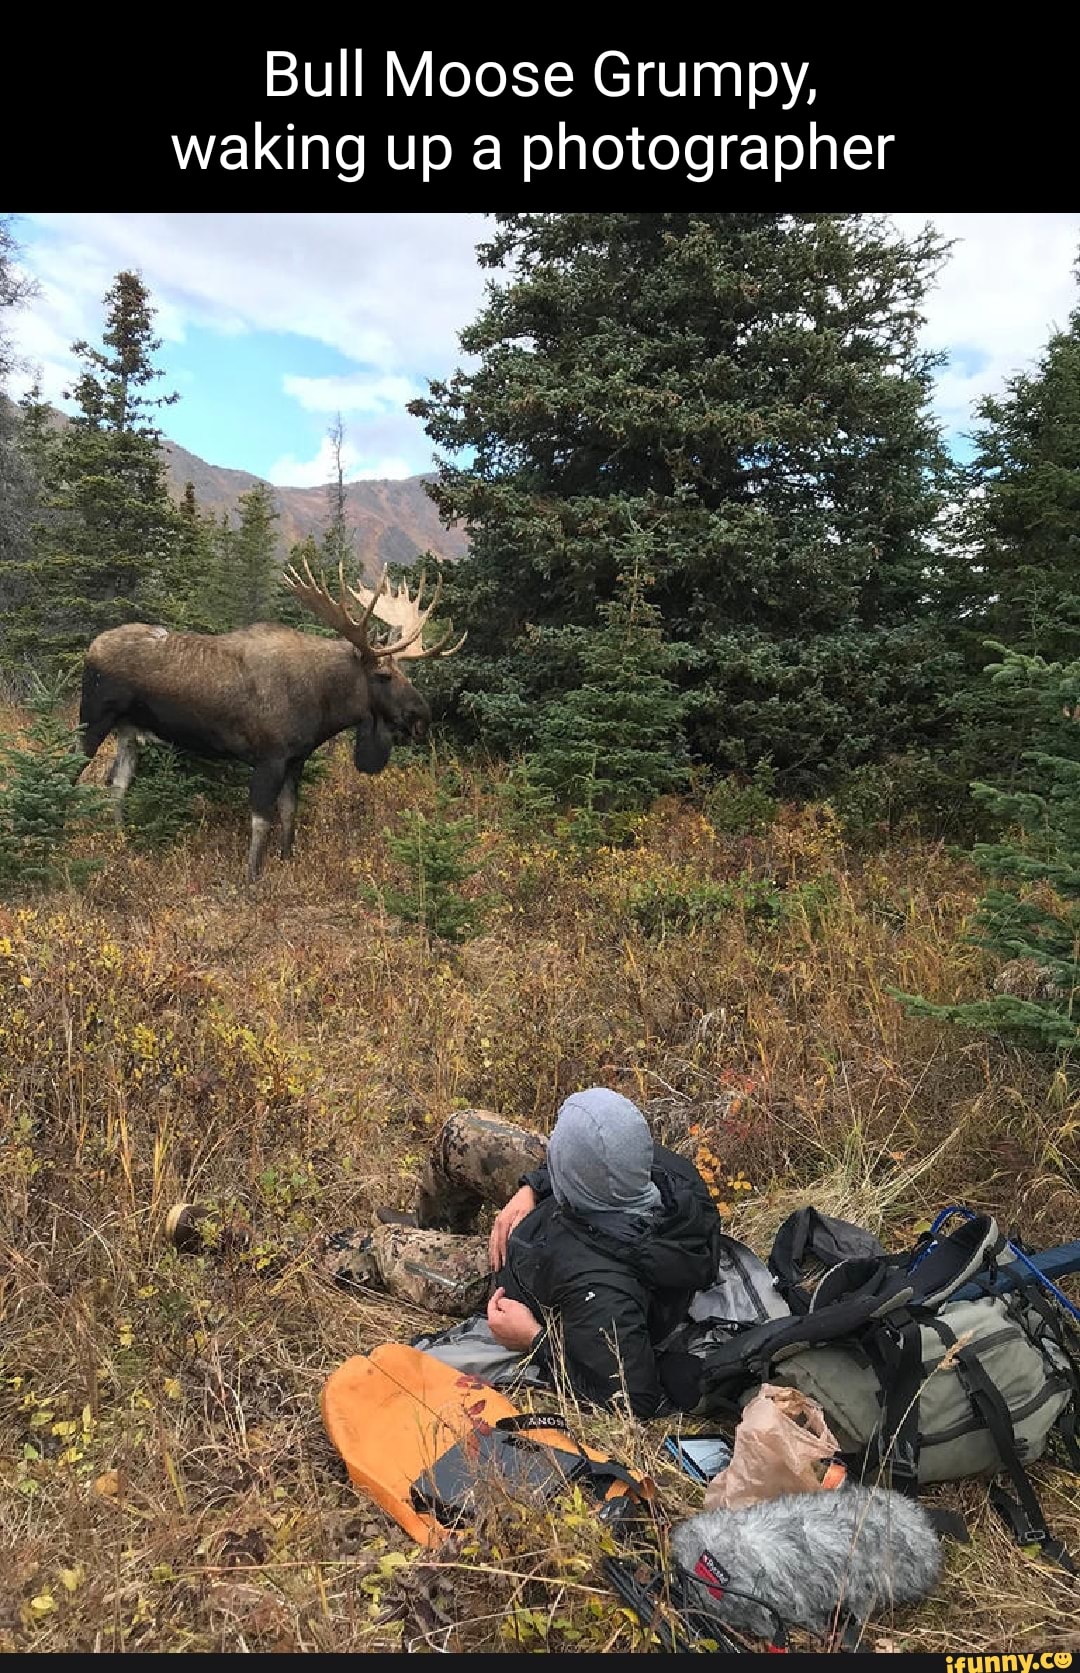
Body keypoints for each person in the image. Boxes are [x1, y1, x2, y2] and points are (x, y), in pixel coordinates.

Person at [325, 1087, 723, 1419]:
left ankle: (396, 1245)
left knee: (372, 1249)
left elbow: (634, 1398)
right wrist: (533, 1186)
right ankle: (436, 1227)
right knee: (460, 1133)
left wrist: (533, 1338)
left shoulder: (602, 1290)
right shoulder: (672, 1176)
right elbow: (604, 1158)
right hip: (554, 1218)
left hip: (509, 1278)